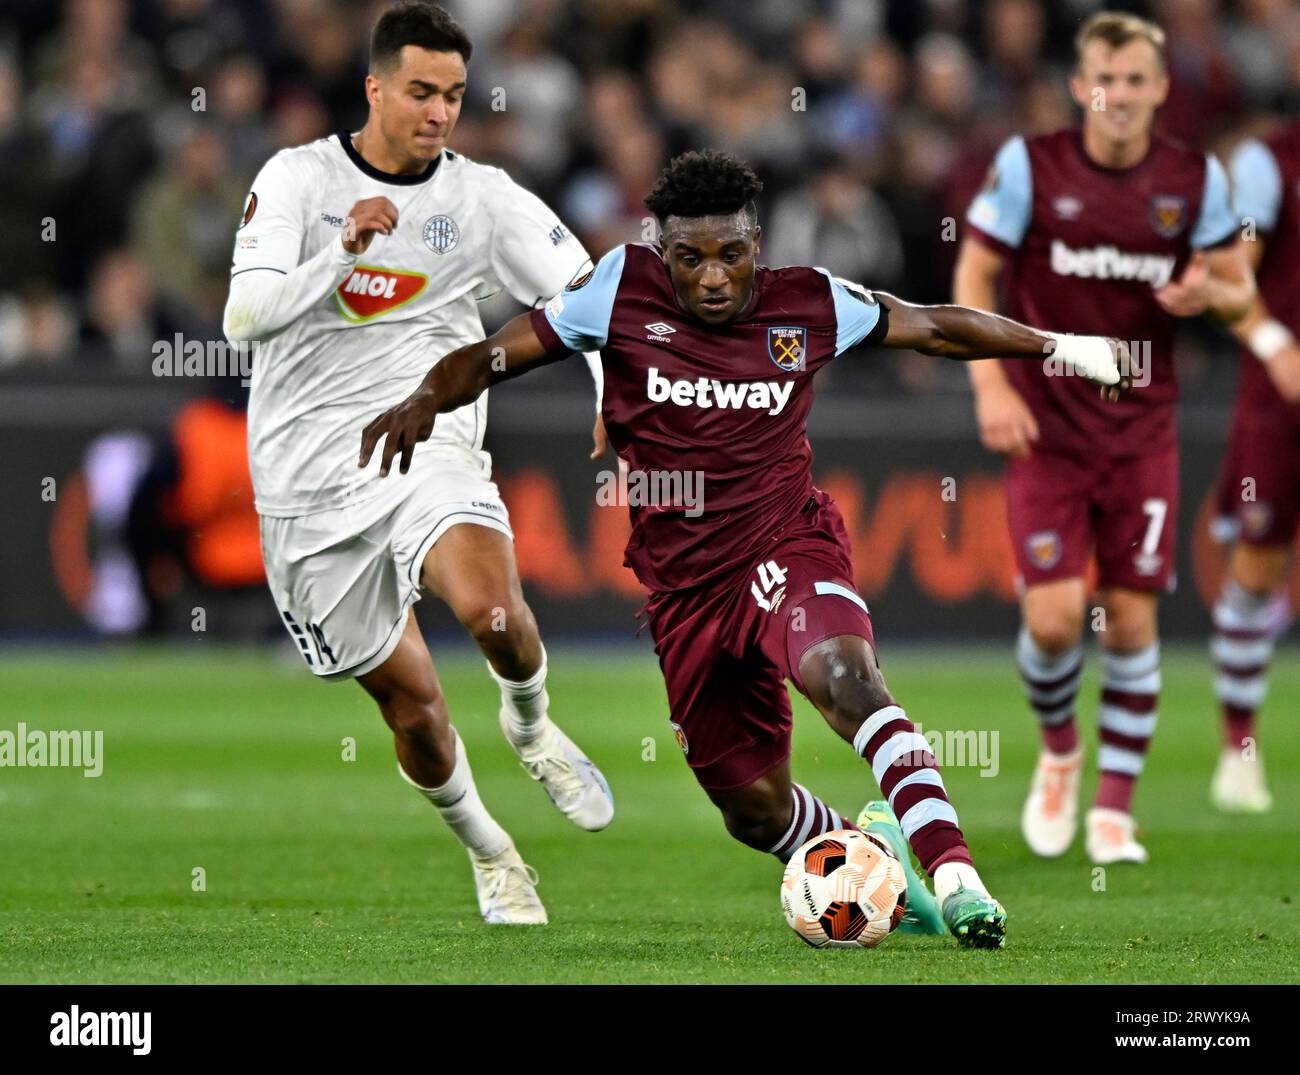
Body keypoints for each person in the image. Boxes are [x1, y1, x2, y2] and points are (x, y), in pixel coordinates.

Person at [359, 149, 1132, 948]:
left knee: (845, 677)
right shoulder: (618, 289)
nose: (715, 278)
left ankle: (957, 874)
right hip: (686, 595)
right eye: (691, 259)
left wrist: (1061, 347)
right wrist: (426, 395)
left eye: (732, 255)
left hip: (784, 542)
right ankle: (876, 858)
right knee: (755, 811)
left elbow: (934, 326)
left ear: (757, 245)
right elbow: (498, 352)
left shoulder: (811, 302)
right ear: (664, 253)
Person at [222, 2, 614, 926]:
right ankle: (492, 848)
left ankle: (532, 724)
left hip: (421, 439)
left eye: (454, 95)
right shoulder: (296, 179)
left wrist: (613, 398)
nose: (440, 112)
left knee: (496, 613)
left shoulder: (480, 199)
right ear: (375, 88)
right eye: (421, 92)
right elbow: (245, 317)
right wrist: (341, 250)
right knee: (417, 716)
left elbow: (589, 290)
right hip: (306, 485)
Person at [953, 11, 1253, 865]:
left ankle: (1113, 811)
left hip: (1141, 432)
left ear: (1161, 89)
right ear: (1082, 86)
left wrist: (1211, 295)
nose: (1118, 95)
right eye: (1104, 79)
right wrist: (988, 382)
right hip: (1044, 427)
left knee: (1127, 623)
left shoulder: (1194, 181)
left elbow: (1237, 285)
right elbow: (973, 272)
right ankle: (1059, 753)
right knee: (1052, 622)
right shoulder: (1030, 166)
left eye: (1135, 80)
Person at [1205, 117, 1300, 813]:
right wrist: (1275, 344)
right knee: (1258, 569)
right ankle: (1239, 749)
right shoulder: (1272, 162)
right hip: (1280, 399)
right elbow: (1230, 271)